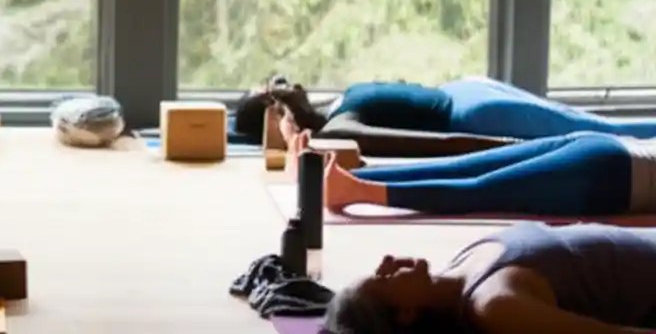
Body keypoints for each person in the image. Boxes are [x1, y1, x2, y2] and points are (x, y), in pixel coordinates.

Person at [324, 221, 656, 334]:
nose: (386, 262)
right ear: (407, 313)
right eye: (382, 278)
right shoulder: (496, 305)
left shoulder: (461, 266)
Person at [235, 75, 656, 157]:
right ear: (278, 112)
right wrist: (509, 149)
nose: (284, 79)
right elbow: (436, 145)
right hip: (476, 115)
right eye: (274, 87)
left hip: (469, 92)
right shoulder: (339, 127)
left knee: (603, 124)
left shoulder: (333, 109)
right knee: (614, 132)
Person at [306, 127, 656, 218]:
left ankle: (341, 179)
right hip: (609, 174)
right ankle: (357, 190)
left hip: (605, 149)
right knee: (480, 188)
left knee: (462, 169)